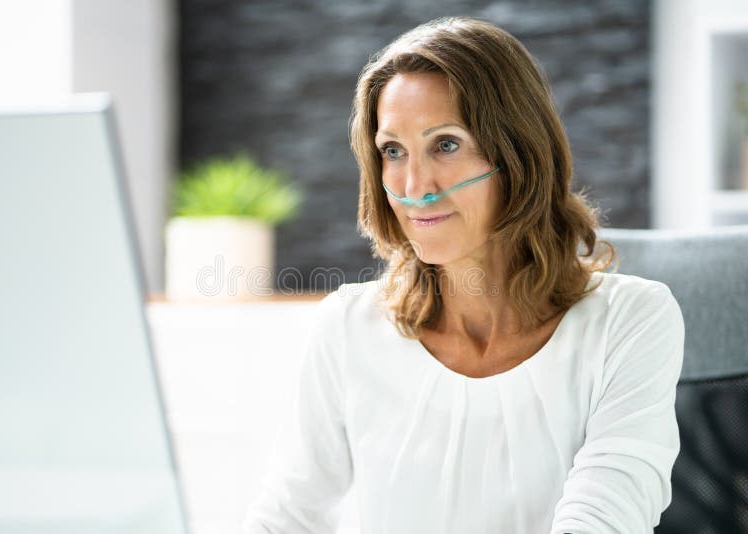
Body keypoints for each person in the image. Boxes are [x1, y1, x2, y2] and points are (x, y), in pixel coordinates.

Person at [243, 16, 684, 534]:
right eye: (393, 151)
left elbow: (606, 518)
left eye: (446, 144)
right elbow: (287, 516)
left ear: (518, 153)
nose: (414, 183)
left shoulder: (631, 321)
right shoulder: (347, 326)